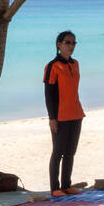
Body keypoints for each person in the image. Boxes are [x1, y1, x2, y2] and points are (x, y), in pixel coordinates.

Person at [43, 30, 85, 197]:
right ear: (59, 44)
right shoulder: (52, 66)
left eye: (73, 43)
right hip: (60, 116)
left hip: (76, 113)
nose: (71, 46)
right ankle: (55, 188)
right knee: (58, 152)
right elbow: (49, 94)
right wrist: (52, 118)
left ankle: (67, 185)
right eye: (67, 42)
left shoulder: (75, 64)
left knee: (70, 152)